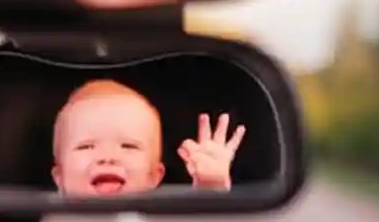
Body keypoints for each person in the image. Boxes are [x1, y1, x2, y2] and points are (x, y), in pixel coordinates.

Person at [50, 79, 246, 197]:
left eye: (128, 146)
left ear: (154, 175)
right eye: (86, 146)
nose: (107, 157)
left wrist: (211, 187)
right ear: (60, 176)